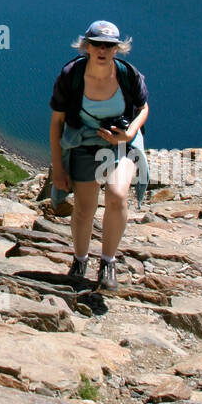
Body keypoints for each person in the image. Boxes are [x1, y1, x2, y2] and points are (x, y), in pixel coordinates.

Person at [48, 20, 149, 291]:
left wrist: (129, 135)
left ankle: (108, 261)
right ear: (87, 46)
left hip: (121, 143)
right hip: (83, 143)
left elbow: (143, 108)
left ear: (118, 49)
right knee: (84, 208)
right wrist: (58, 169)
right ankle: (80, 260)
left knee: (117, 195)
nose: (102, 50)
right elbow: (57, 122)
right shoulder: (71, 75)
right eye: (97, 45)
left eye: (109, 46)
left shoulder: (128, 75)